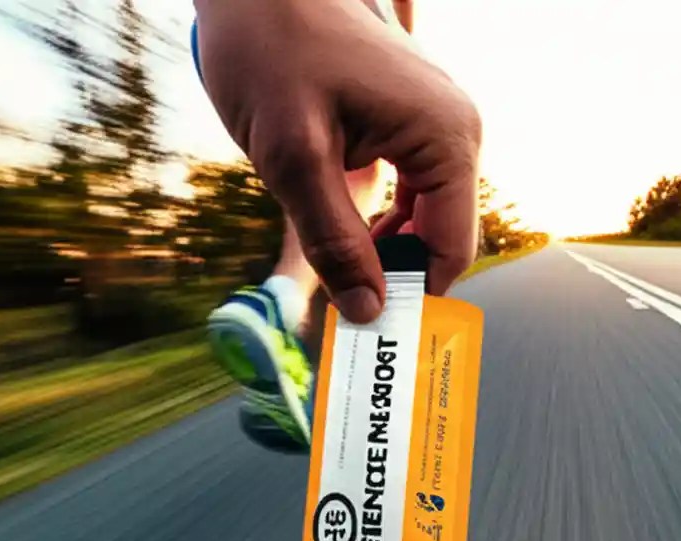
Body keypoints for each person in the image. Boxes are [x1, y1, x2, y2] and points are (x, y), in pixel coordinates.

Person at [190, 0, 482, 451]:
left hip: (219, 40)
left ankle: (279, 304)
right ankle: (287, 310)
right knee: (360, 166)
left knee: (325, 160)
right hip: (318, 18)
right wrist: (399, 44)